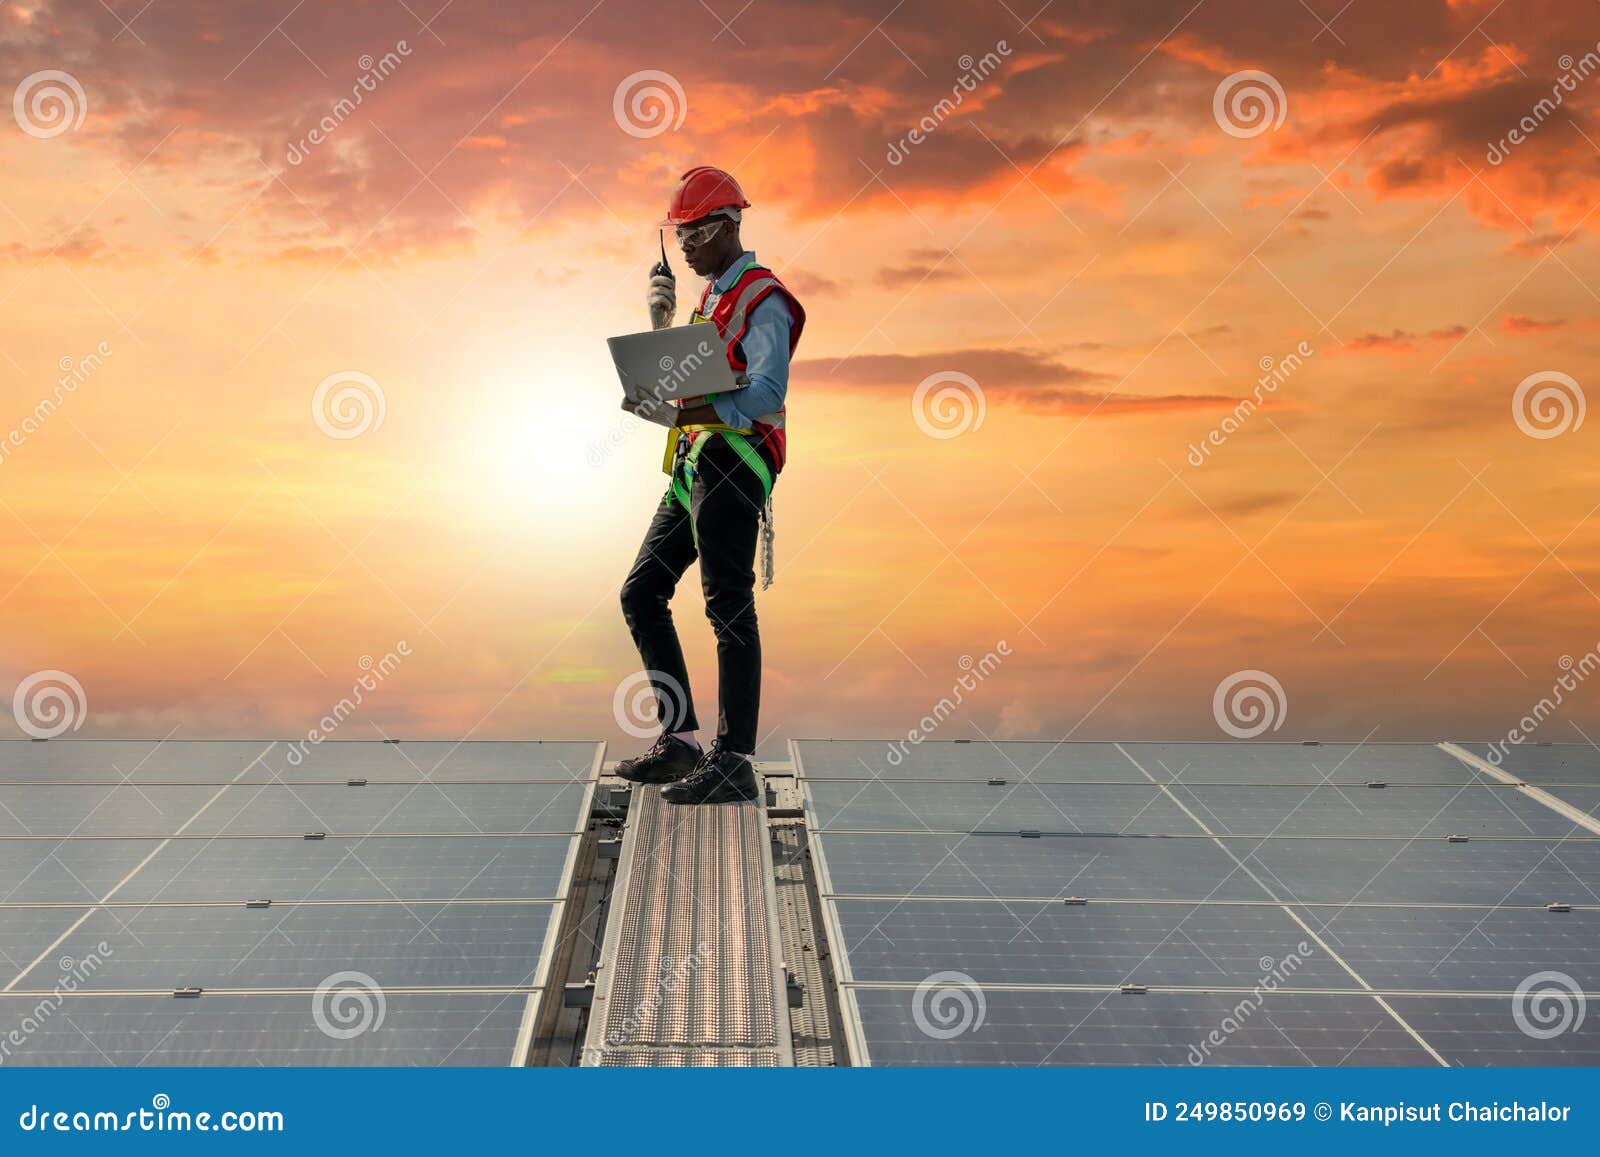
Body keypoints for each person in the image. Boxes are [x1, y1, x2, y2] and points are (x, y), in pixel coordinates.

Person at [615, 166, 805, 804]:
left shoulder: (763, 297)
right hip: (695, 463)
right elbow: (694, 380)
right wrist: (660, 328)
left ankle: (735, 761)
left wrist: (696, 411)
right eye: (681, 236)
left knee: (727, 603)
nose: (686, 248)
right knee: (642, 593)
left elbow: (766, 394)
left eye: (693, 235)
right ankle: (682, 746)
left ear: (726, 227)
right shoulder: (711, 298)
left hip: (734, 464)